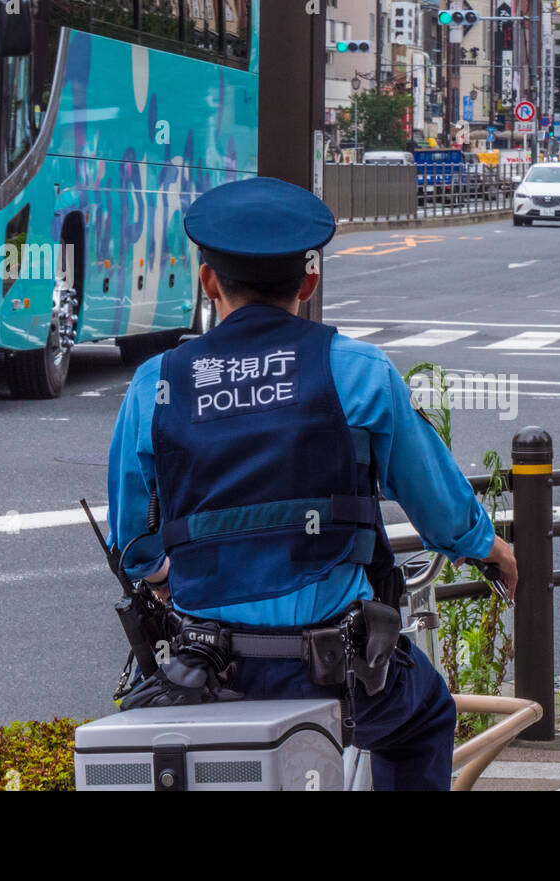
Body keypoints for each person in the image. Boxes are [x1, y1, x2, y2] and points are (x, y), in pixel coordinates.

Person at [105, 177, 517, 791]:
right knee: (427, 716)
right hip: (336, 673)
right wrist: (492, 550)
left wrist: (164, 579)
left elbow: (134, 541)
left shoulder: (154, 384)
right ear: (308, 283)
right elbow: (439, 507)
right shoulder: (357, 370)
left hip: (207, 669)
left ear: (207, 281)